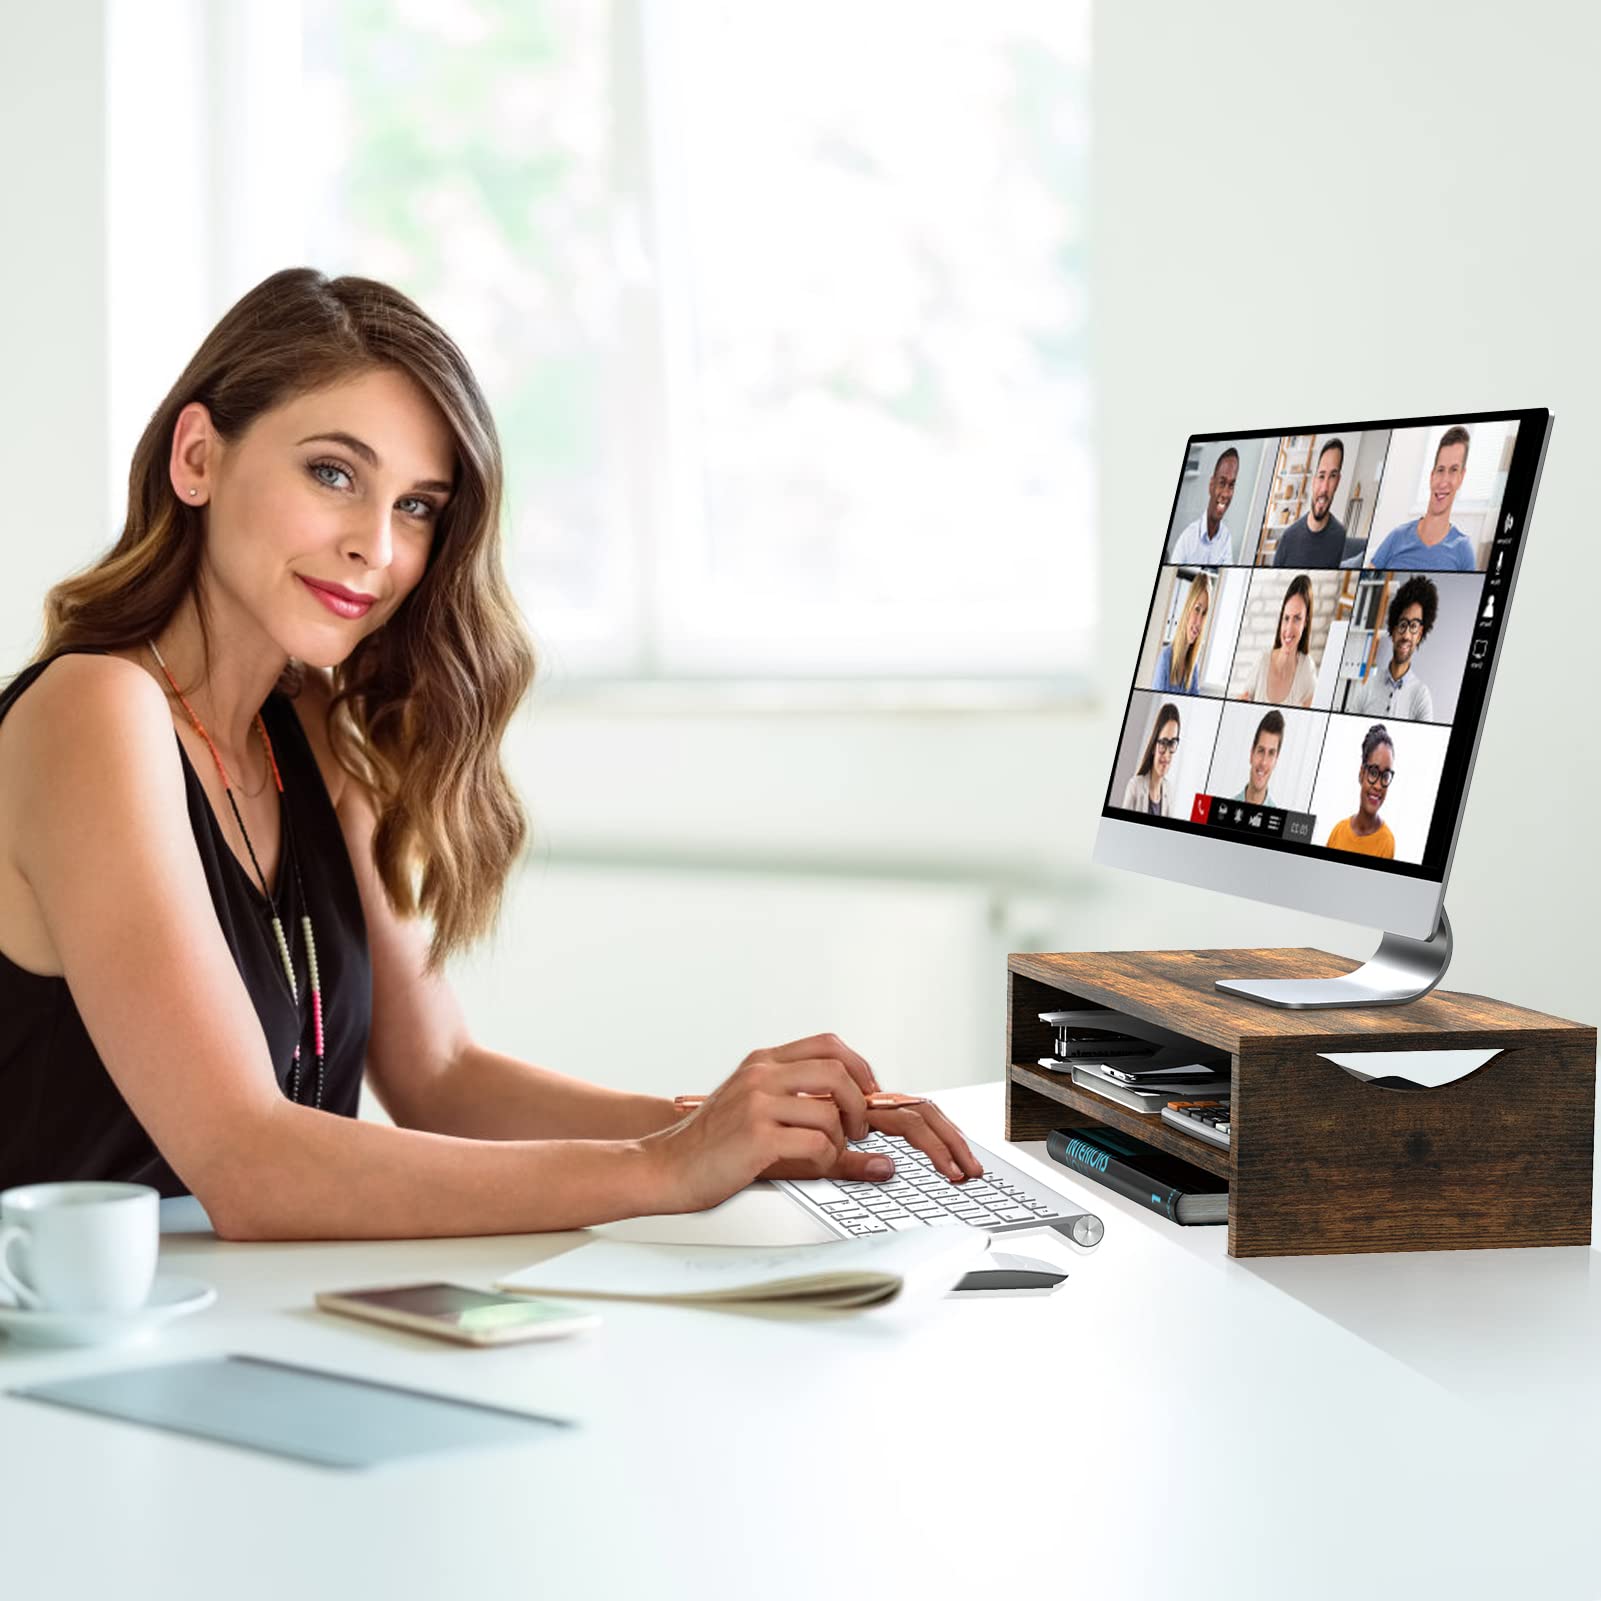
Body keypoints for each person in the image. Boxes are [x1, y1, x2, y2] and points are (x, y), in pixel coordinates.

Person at [0, 268, 981, 1238]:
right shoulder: (97, 709)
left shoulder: (300, 725)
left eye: (417, 506)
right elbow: (249, 1162)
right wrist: (665, 1165)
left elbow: (442, 1076)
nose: (376, 549)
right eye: (333, 473)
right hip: (54, 1363)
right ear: (198, 458)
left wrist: (738, 1128)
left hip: (235, 1330)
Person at [1368, 426, 1477, 571]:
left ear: (1461, 477)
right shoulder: (1397, 536)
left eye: (1453, 470)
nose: (1444, 481)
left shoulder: (1463, 550)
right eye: (1440, 470)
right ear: (1432, 476)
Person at [1348, 576, 1437, 721]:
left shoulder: (1421, 695)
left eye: (1413, 626)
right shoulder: (1369, 686)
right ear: (1393, 630)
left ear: (1419, 635)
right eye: (1402, 624)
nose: (1406, 635)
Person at [1239, 574, 1318, 708]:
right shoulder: (1262, 662)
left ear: (1306, 622)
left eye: (1297, 619)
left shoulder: (1307, 670)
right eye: (1286, 618)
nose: (1288, 629)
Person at [1272, 438, 1347, 568]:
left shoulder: (1341, 538)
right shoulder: (1288, 537)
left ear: (1338, 482)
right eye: (1321, 476)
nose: (1324, 488)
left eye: (1332, 476)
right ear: (1313, 480)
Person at [1324, 725, 1397, 858]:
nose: (1379, 786)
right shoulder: (1338, 831)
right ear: (1362, 773)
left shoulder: (1386, 842)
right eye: (1373, 773)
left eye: (1385, 776)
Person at [1168, 448, 1239, 566]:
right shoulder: (1187, 538)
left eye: (1231, 485)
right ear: (1211, 485)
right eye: (1222, 483)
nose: (1226, 493)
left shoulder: (1226, 538)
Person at [1152, 573, 1211, 694]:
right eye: (1197, 609)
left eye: (1204, 613)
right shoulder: (1166, 658)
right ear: (1187, 608)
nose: (1199, 622)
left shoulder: (1193, 667)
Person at [1121, 705, 1182, 817]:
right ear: (1154, 745)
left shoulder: (1169, 792)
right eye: (1163, 743)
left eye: (1172, 743)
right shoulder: (1135, 787)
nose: (1167, 754)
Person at [1232, 710, 1284, 807]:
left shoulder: (1279, 819)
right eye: (1261, 751)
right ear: (1252, 754)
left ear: (1276, 760)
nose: (1263, 762)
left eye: (1271, 753)